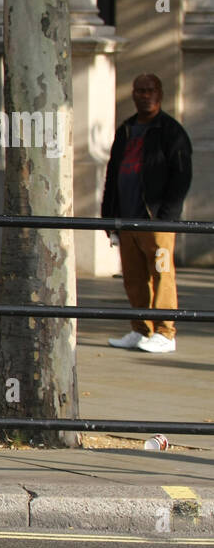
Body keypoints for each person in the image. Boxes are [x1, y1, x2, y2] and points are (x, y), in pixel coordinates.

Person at [101, 74, 193, 354]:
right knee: (134, 278)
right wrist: (109, 216)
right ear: (133, 94)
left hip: (156, 221)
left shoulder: (170, 130)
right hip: (128, 220)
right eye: (139, 90)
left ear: (160, 93)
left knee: (162, 274)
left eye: (150, 90)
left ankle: (166, 332)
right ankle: (141, 330)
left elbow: (182, 176)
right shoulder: (127, 129)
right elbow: (113, 172)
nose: (145, 95)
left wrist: (167, 216)